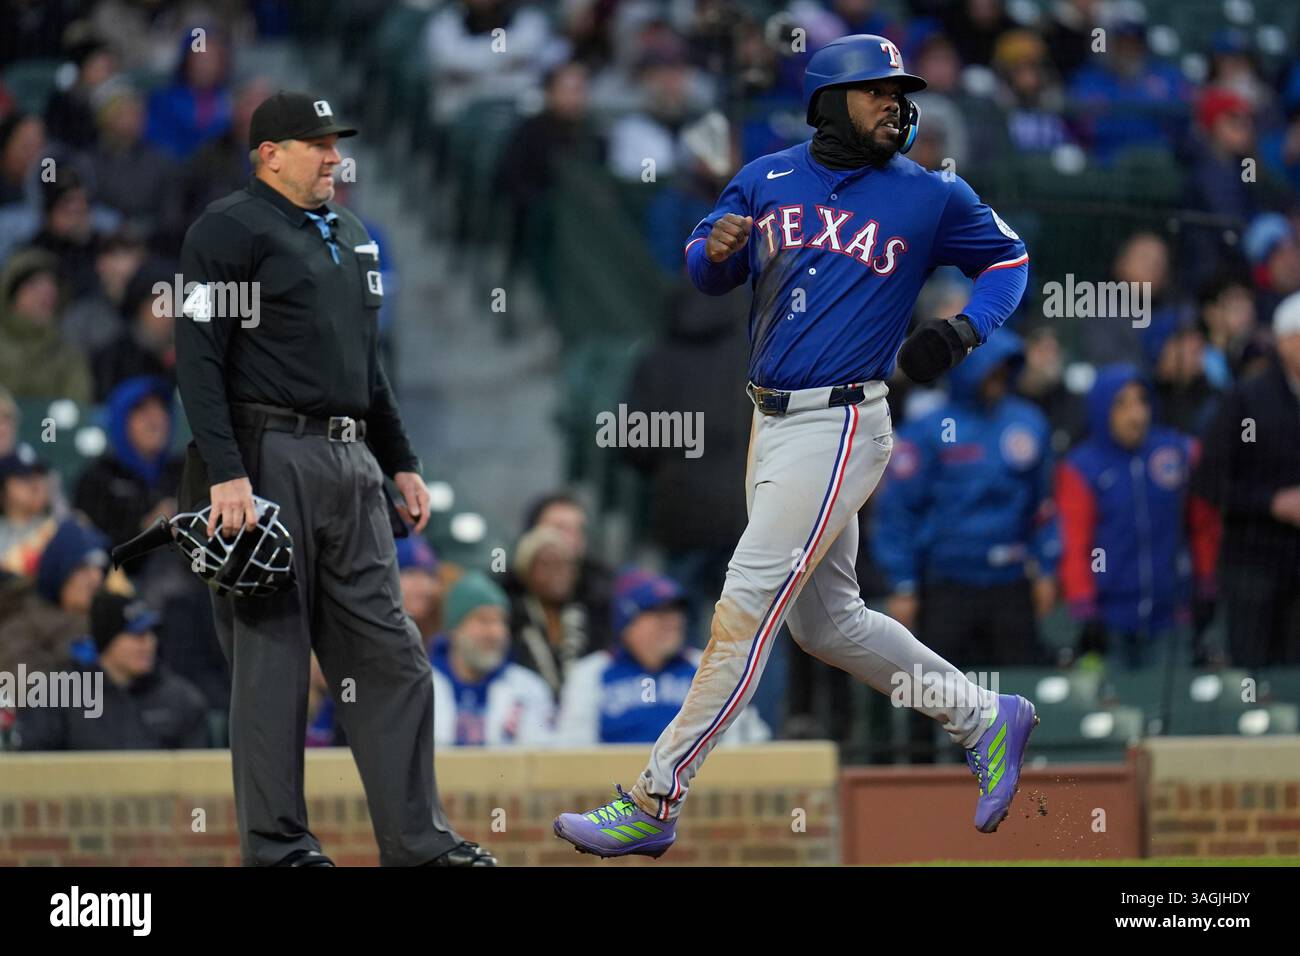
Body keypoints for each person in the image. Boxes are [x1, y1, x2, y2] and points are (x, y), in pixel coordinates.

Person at [554, 35, 1038, 859]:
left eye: (899, 90)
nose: (894, 101)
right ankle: (984, 716)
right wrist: (712, 251)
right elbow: (704, 269)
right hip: (771, 425)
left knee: (742, 612)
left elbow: (1011, 260)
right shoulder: (766, 177)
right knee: (828, 623)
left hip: (844, 419)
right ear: (828, 103)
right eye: (875, 89)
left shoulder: (927, 194)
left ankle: (655, 795)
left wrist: (960, 332)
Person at [176, 91, 493, 867]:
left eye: (334, 142)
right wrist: (226, 473)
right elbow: (197, 354)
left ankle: (419, 844)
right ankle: (279, 848)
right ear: (268, 154)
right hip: (265, 452)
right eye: (312, 143)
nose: (330, 155)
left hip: (351, 461)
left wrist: (402, 459)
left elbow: (365, 365)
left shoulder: (351, 235)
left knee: (393, 656)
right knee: (273, 666)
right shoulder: (225, 228)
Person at [872, 331, 1059, 670]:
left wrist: (1046, 568)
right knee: (935, 693)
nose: (998, 378)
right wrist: (902, 583)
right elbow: (899, 511)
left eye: (1005, 370)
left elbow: (1043, 504)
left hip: (1010, 582)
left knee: (1016, 689)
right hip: (946, 584)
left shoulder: (1028, 422)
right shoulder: (928, 429)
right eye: (991, 369)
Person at [1056, 365, 1220, 669]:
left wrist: (1207, 582)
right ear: (1102, 409)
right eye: (1122, 404)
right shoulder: (1081, 467)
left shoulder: (1179, 451)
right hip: (1108, 618)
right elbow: (1075, 543)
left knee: (1174, 710)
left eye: (1141, 401)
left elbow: (1204, 525)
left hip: (1173, 615)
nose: (1136, 414)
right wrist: (1084, 607)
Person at [1192, 292, 1300, 666]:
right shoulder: (1246, 400)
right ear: (1286, 342)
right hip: (1253, 563)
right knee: (1252, 673)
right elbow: (1209, 482)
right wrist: (1272, 502)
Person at [555, 571, 770, 746]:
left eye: (677, 611)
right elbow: (573, 750)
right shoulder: (591, 673)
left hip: (697, 791)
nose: (673, 621)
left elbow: (747, 742)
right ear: (628, 622)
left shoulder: (709, 667)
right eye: (659, 613)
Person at [12, 591, 209, 751]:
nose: (148, 643)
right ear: (108, 641)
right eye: (136, 635)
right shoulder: (59, 696)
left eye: (151, 633)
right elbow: (32, 765)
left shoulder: (182, 699)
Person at [429, 571, 554, 747]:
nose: (495, 633)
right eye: (483, 620)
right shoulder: (420, 686)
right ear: (454, 629)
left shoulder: (528, 688)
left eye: (500, 621)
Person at [73, 375, 182, 548]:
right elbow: (91, 554)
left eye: (162, 408)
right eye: (142, 411)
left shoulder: (184, 471)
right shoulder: (98, 478)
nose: (156, 420)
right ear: (121, 420)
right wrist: (146, 531)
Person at [0, 249, 93, 405]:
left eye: (51, 284)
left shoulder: (67, 353)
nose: (47, 292)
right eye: (33, 285)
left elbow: (76, 407)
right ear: (12, 294)